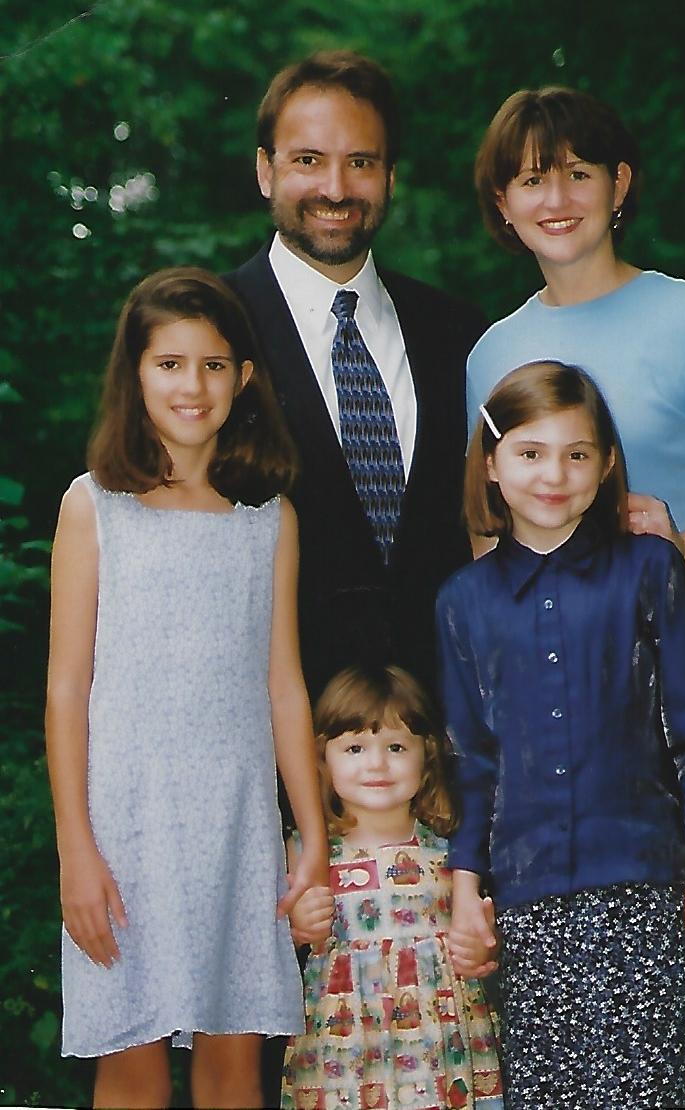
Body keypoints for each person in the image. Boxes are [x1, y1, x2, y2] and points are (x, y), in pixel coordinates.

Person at [466, 86, 685, 1105]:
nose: (555, 195)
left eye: (577, 170)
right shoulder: (490, 350)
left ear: (620, 186)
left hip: (668, 664)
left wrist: (682, 550)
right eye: (531, 177)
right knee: (554, 960)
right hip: (538, 682)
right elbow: (483, 531)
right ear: (502, 203)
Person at [45, 268, 328, 1109]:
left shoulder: (268, 519)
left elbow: (284, 685)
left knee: (235, 1062)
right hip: (123, 827)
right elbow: (66, 689)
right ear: (135, 372)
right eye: (169, 363)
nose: (191, 385)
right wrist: (76, 853)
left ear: (244, 377)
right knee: (130, 1061)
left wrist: (308, 833)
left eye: (212, 364)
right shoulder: (94, 507)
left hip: (236, 826)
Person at [436, 361, 685, 1109]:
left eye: (576, 454)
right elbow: (470, 762)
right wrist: (463, 890)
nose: (554, 474)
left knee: (651, 1089)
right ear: (490, 463)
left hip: (647, 888)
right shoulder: (463, 601)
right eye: (529, 452)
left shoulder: (649, 570)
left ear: (607, 463)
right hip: (527, 902)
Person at [225, 50, 487, 700]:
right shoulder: (208, 333)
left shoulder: (459, 334)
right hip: (265, 735)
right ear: (265, 171)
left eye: (360, 162)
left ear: (390, 176)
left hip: (440, 734)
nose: (336, 189)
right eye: (307, 160)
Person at [280, 663, 504, 1110]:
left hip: (439, 1052)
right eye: (356, 748)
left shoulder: (451, 853)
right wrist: (296, 930)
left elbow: (483, 944)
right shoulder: (307, 854)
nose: (377, 764)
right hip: (343, 1059)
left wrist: (483, 951)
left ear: (427, 758)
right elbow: (275, 953)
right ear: (321, 760)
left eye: (396, 746)